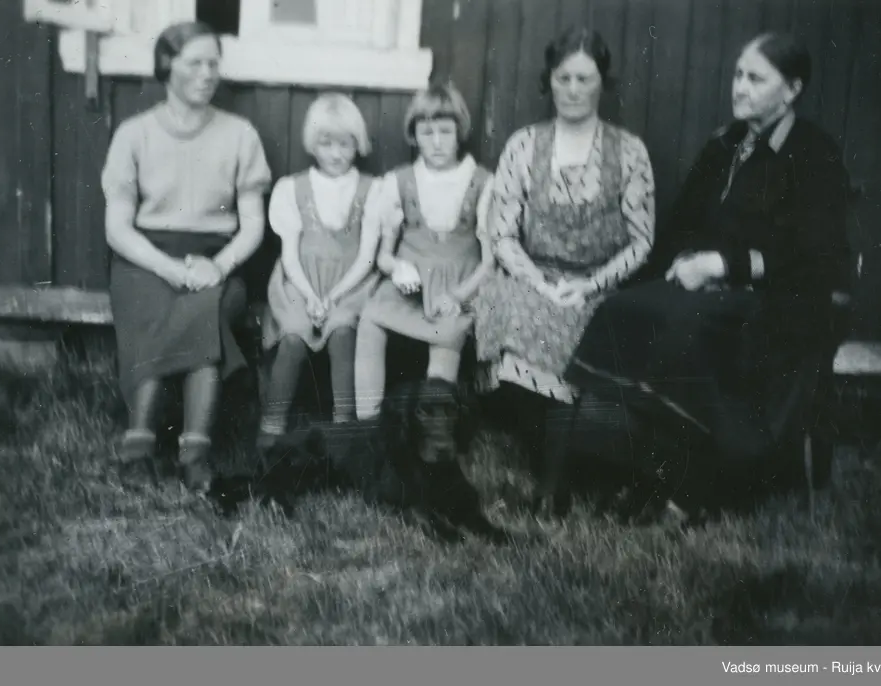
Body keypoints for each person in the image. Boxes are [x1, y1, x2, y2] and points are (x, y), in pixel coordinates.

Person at [565, 32, 853, 515]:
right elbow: (683, 222)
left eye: (756, 78)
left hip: (780, 296)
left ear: (792, 89)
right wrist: (683, 261)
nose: (739, 87)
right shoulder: (725, 144)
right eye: (738, 75)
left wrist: (726, 265)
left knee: (686, 331)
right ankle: (636, 467)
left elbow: (816, 254)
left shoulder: (813, 153)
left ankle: (690, 488)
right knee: (626, 310)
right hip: (708, 284)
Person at [471, 27, 655, 470]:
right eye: (563, 78)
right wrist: (539, 282)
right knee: (516, 312)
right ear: (549, 80)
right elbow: (502, 235)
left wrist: (589, 285)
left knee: (592, 326)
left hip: (598, 284)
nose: (572, 90)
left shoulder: (629, 151)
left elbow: (642, 240)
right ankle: (545, 456)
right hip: (531, 277)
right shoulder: (523, 145)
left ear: (601, 83)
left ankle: (557, 470)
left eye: (584, 79)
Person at [101, 21, 272, 492]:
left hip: (218, 257)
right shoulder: (134, 135)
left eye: (214, 63)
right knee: (169, 308)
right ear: (166, 66)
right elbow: (117, 226)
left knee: (206, 306)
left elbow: (253, 223)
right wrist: (167, 267)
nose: (207, 73)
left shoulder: (240, 135)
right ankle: (152, 447)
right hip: (144, 258)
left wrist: (219, 265)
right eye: (194, 62)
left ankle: (179, 451)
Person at [353, 82, 494, 421]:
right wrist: (397, 268)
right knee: (371, 320)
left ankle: (435, 428)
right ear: (413, 135)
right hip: (411, 286)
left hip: (460, 285)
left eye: (445, 131)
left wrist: (460, 295)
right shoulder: (399, 182)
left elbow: (490, 260)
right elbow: (385, 255)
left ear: (459, 133)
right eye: (426, 132)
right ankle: (366, 423)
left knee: (448, 334)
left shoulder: (481, 182)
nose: (436, 142)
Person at [257, 93, 383, 448]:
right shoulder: (292, 188)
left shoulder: (373, 190)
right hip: (299, 282)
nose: (335, 153)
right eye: (326, 143)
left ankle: (343, 429)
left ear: (356, 143)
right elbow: (290, 256)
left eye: (344, 143)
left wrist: (333, 296)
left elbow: (367, 258)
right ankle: (271, 425)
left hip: (352, 284)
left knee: (343, 330)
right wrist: (312, 295)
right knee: (294, 333)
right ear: (313, 143)